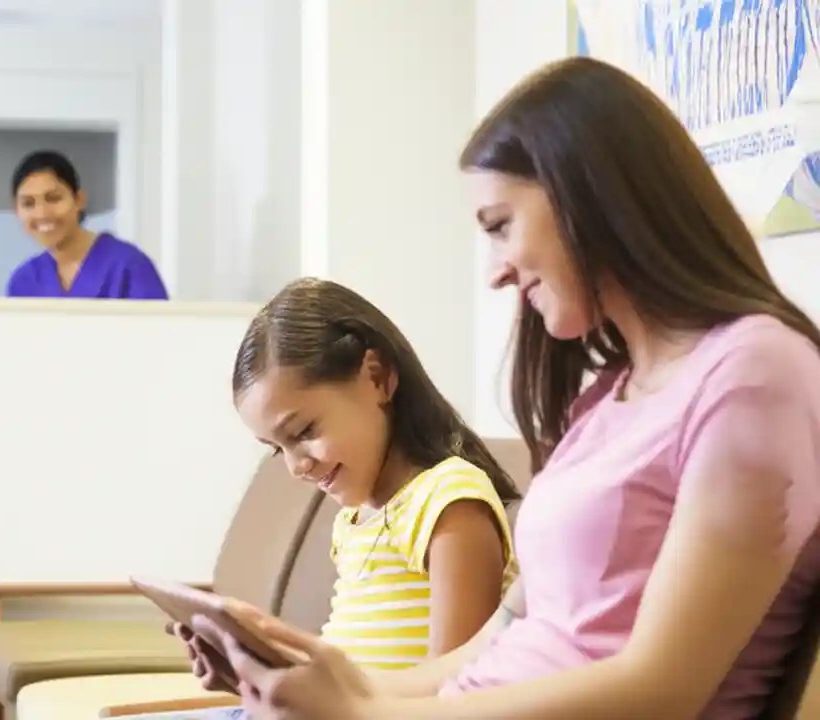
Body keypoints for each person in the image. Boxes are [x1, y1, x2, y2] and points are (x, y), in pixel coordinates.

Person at [182, 56, 820, 719]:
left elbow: (662, 688)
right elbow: (490, 650)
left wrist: (365, 715)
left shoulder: (756, 371)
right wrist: (310, 673)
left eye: (499, 226)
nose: (493, 274)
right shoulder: (612, 396)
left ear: (589, 192)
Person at [164, 277, 522, 718]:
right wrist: (248, 675)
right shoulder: (355, 518)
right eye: (278, 449)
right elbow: (348, 666)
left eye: (304, 433)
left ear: (377, 377)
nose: (297, 466)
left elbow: (456, 690)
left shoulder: (450, 501)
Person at [5, 150, 168, 299]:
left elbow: (160, 329)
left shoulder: (128, 265)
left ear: (79, 200)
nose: (42, 213)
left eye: (53, 198)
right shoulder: (24, 282)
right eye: (28, 203)